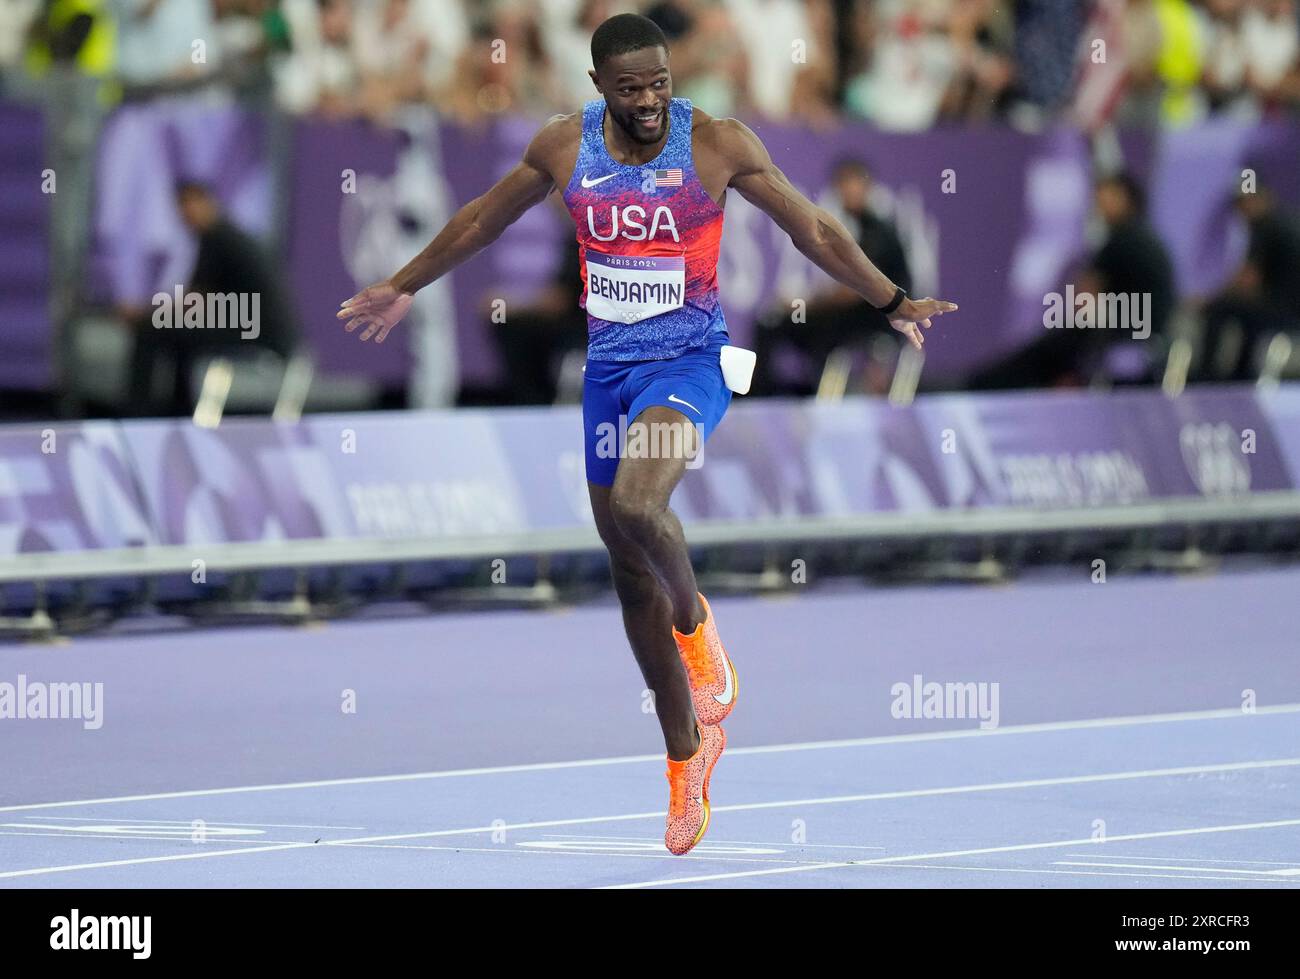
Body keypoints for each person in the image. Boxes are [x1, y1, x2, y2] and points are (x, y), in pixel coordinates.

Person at [338, 13, 957, 855]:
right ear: (599, 89)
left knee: (638, 501)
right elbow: (483, 219)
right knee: (629, 577)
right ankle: (686, 759)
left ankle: (701, 635)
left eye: (660, 83)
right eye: (630, 90)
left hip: (688, 363)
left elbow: (808, 225)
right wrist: (403, 284)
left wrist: (891, 300)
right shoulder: (565, 146)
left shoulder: (717, 143)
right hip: (610, 373)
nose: (650, 102)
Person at [125, 181, 297, 416]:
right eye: (181, 206)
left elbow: (195, 300)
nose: (186, 212)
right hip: (249, 326)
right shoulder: (219, 237)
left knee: (150, 329)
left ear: (208, 202)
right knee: (178, 335)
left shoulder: (219, 238)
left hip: (258, 332)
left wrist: (145, 314)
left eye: (191, 203)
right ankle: (177, 410)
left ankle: (137, 413)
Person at [753, 156, 912, 395]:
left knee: (773, 324)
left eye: (851, 183)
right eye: (840, 184)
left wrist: (804, 303)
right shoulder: (864, 229)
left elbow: (856, 292)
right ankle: (789, 393)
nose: (845, 191)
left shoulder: (878, 233)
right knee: (781, 325)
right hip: (858, 319)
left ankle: (763, 397)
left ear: (867, 187)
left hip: (872, 323)